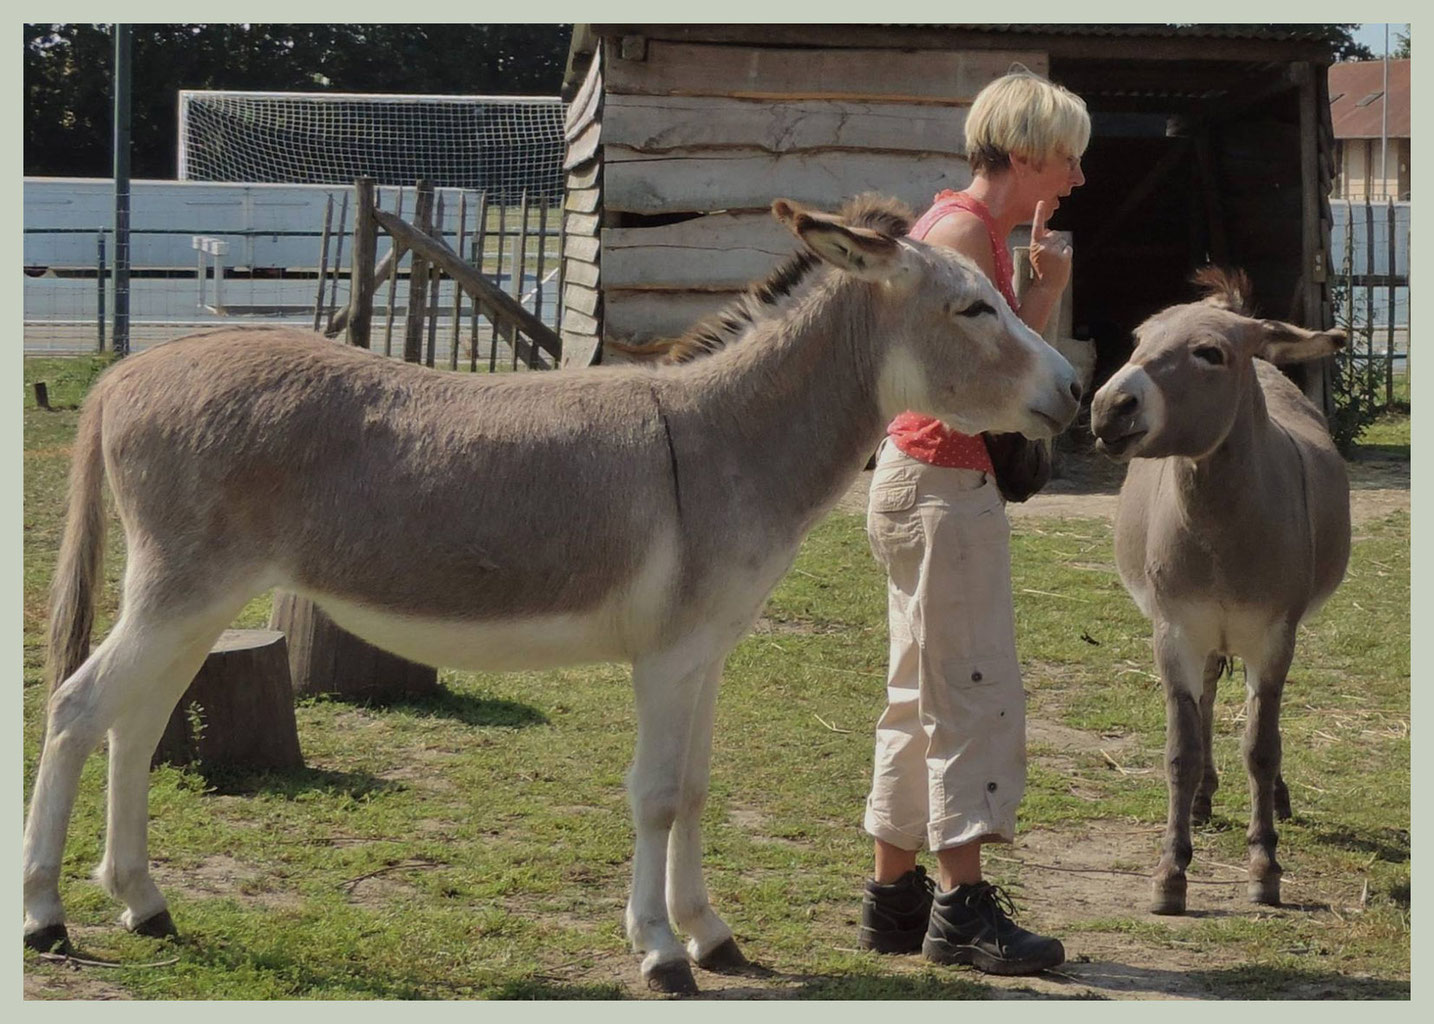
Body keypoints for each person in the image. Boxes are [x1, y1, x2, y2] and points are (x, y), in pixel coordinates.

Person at [857, 66, 1089, 976]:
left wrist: (1043, 288)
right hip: (945, 489)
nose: (1074, 178)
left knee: (917, 694)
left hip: (921, 483)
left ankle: (893, 900)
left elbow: (995, 369)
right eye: (1067, 158)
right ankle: (963, 910)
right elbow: (963, 393)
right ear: (1028, 151)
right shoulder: (957, 234)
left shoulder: (967, 229)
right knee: (971, 691)